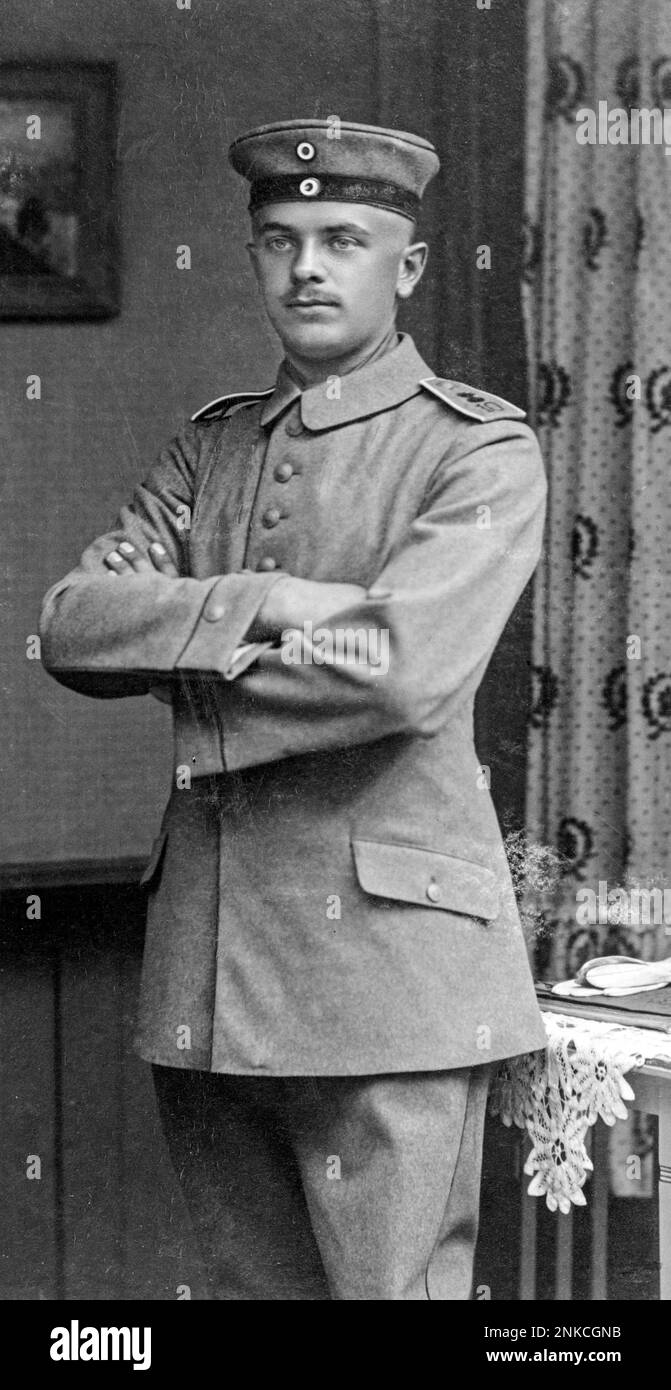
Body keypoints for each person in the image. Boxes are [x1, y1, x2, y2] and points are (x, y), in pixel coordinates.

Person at [39, 118, 548, 1301]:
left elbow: (403, 661)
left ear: (405, 266)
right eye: (279, 241)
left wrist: (182, 641)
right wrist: (262, 598)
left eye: (342, 239)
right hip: (211, 972)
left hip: (391, 977)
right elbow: (69, 620)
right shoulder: (209, 451)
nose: (306, 267)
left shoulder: (474, 450)